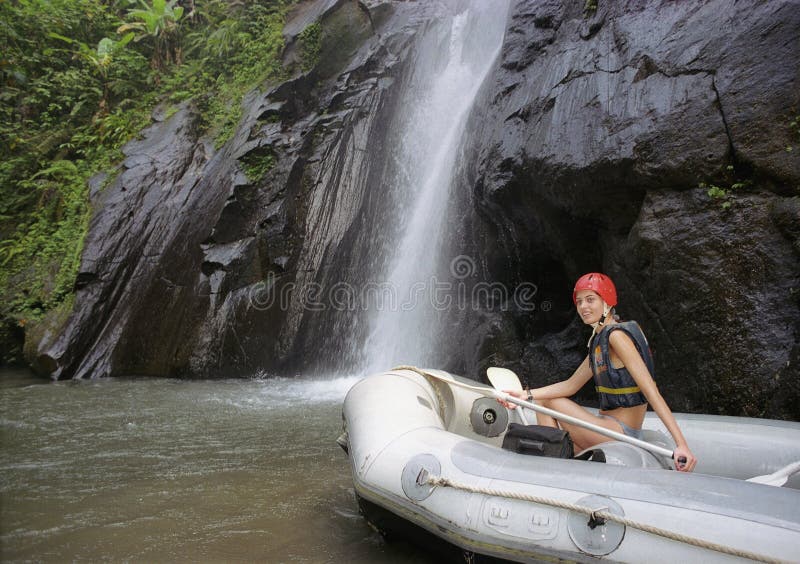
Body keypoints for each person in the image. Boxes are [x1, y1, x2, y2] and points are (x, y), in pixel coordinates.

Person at [501, 272, 697, 472]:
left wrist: (682, 444)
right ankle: (555, 464)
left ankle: (552, 471)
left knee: (546, 402)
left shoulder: (617, 337)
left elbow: (651, 391)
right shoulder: (600, 340)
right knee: (552, 423)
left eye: (590, 299)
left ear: (607, 302)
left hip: (621, 432)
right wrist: (525, 395)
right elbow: (571, 385)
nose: (583, 307)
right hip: (605, 427)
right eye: (579, 302)